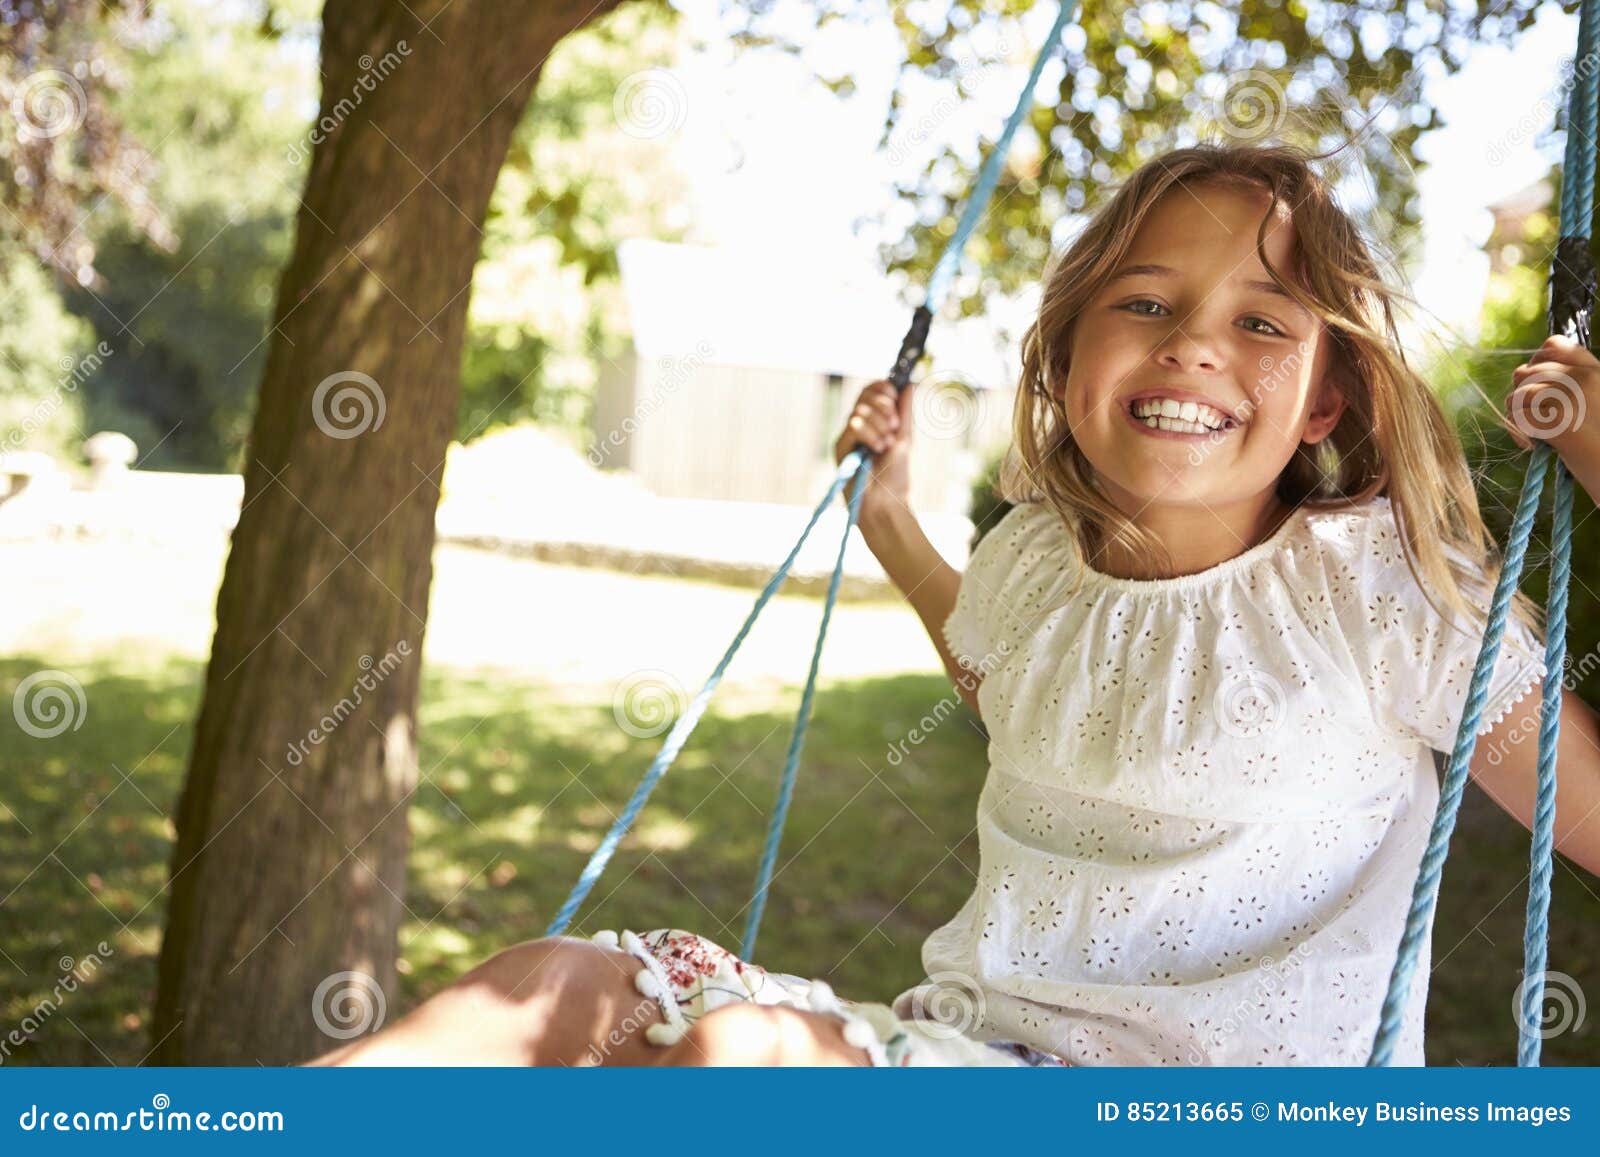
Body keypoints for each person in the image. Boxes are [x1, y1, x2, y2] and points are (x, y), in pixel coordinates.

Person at [313, 140, 1600, 1067]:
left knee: (746, 1063)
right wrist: (889, 522)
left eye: (1263, 323)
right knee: (555, 986)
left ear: (1326, 402)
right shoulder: (1037, 564)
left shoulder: (1379, 593)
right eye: (1144, 303)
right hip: (967, 1058)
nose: (1192, 342)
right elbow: (1000, 675)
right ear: (1067, 353)